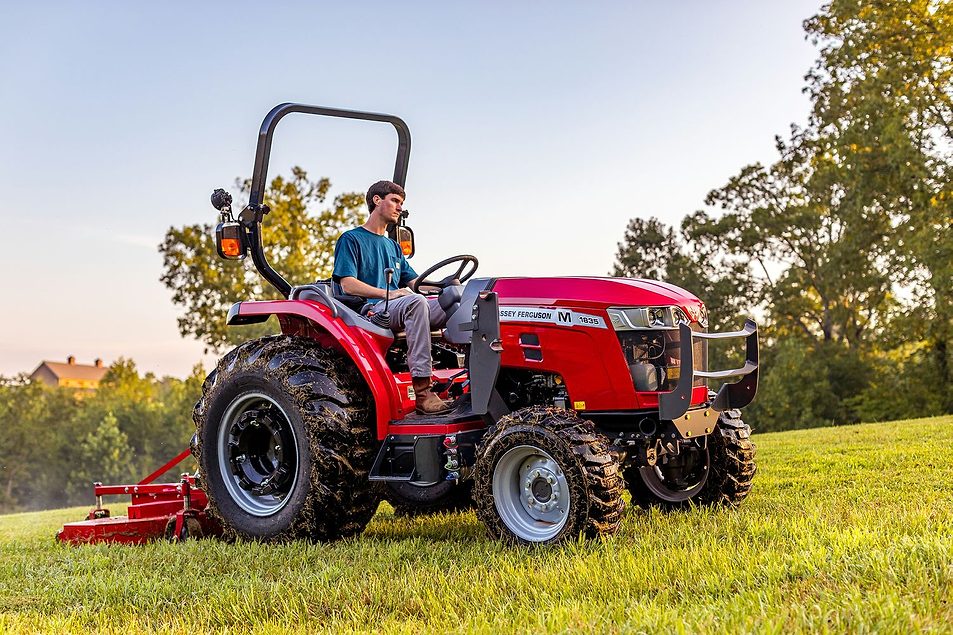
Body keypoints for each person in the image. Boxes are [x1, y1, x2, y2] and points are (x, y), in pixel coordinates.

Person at [332, 180, 452, 415]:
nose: (400, 208)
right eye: (395, 201)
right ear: (377, 200)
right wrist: (389, 293)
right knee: (416, 303)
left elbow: (415, 283)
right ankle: (423, 392)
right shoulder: (351, 239)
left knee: (459, 303)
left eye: (401, 203)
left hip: (398, 304)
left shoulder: (393, 247)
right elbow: (347, 284)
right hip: (373, 311)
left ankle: (474, 380)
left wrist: (448, 286)